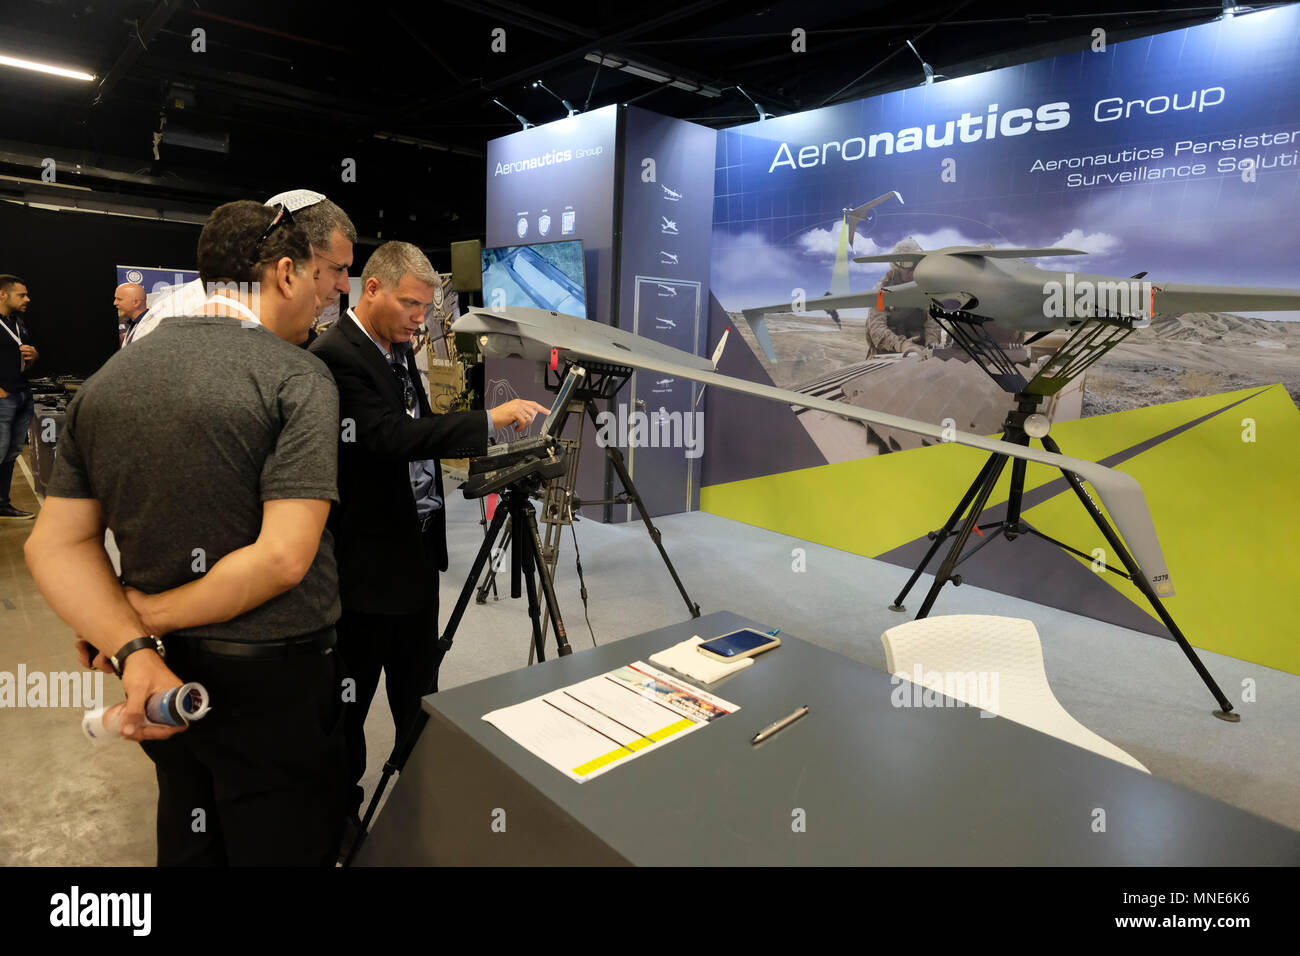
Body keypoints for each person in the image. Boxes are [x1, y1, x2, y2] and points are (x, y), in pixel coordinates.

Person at [25, 200, 348, 865]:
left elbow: (54, 543)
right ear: (284, 273)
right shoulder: (299, 376)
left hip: (164, 674)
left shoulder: (107, 385)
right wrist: (143, 616)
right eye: (318, 277)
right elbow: (285, 558)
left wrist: (133, 644)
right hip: (274, 678)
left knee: (188, 828)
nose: (324, 296)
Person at [309, 240, 547, 828]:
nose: (421, 318)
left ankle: (421, 802)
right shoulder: (339, 354)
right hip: (365, 571)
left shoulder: (393, 351)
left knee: (420, 692)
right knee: (350, 702)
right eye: (412, 305)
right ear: (372, 288)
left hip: (414, 558)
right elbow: (389, 437)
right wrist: (488, 420)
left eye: (425, 306)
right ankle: (342, 819)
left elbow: (415, 429)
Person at [134, 189, 356, 344]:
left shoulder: (293, 333)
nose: (345, 286)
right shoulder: (175, 315)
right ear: (296, 256)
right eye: (338, 268)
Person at [0, 274, 38, 520]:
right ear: (3, 294)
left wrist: (34, 357)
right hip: (3, 399)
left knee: (11, 454)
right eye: (21, 295)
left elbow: (23, 361)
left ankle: (2, 503)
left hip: (22, 395)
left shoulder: (18, 323)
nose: (27, 299)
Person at [865, 237, 942, 357]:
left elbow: (932, 323)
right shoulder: (881, 291)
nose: (912, 269)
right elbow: (877, 328)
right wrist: (902, 345)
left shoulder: (925, 289)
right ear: (896, 265)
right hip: (888, 353)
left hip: (919, 351)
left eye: (917, 262)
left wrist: (931, 343)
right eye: (907, 262)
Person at [114, 281, 149, 347]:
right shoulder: (134, 324)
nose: (115, 303)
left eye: (119, 299)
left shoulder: (153, 326)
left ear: (136, 303)